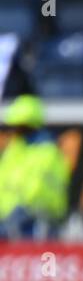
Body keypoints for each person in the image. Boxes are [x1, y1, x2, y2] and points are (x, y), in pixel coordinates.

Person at [0, 94, 69, 240]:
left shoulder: (48, 152)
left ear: (29, 126)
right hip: (7, 224)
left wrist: (21, 210)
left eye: (19, 127)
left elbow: (41, 191)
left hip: (37, 226)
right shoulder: (13, 150)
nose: (14, 131)